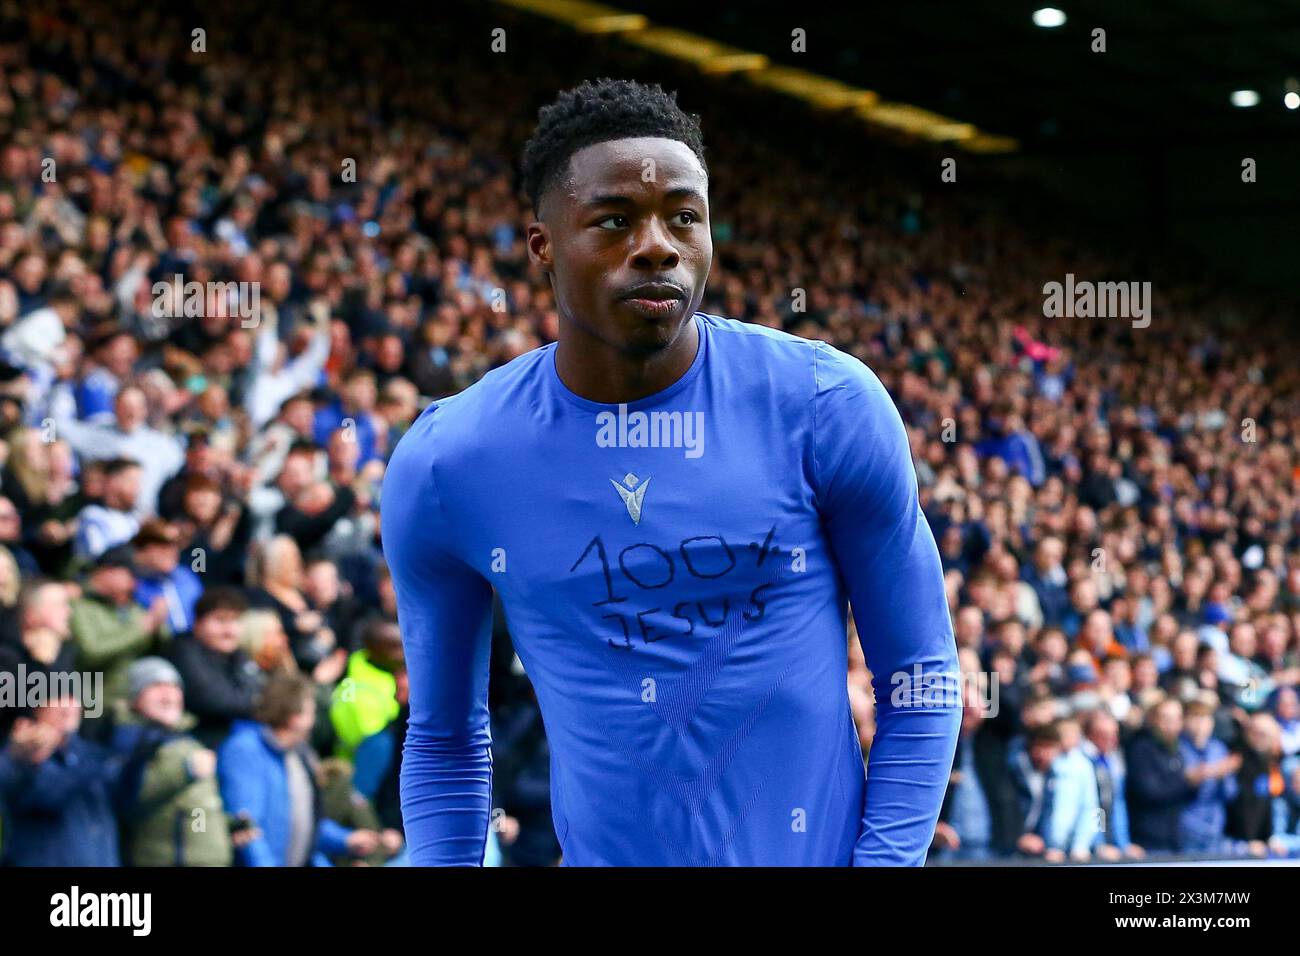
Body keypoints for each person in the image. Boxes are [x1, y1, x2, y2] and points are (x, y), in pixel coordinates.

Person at [383, 78, 961, 866]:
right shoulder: (450, 463)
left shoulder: (824, 404)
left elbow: (921, 679)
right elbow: (447, 738)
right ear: (542, 246)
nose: (657, 244)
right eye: (615, 220)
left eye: (683, 217)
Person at [216, 672, 376, 866]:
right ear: (294, 716)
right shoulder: (244, 750)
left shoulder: (298, 754)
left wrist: (345, 839)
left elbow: (305, 822)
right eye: (311, 710)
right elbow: (247, 830)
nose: (315, 719)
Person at [109, 657, 233, 866]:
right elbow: (128, 798)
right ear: (134, 696)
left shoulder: (188, 740)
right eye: (157, 686)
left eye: (175, 687)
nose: (169, 695)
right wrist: (185, 771)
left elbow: (195, 810)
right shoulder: (127, 739)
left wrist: (227, 826)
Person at [0, 691, 121, 865]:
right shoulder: (17, 754)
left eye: (72, 699)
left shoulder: (89, 753)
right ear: (36, 708)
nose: (67, 708)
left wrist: (136, 762)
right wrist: (20, 759)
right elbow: (45, 795)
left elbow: (126, 799)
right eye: (58, 699)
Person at [169, 588, 264, 748]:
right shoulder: (184, 650)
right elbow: (214, 701)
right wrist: (257, 703)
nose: (229, 630)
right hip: (195, 741)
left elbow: (261, 690)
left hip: (234, 737)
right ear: (198, 624)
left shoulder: (237, 654)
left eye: (235, 620)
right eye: (220, 620)